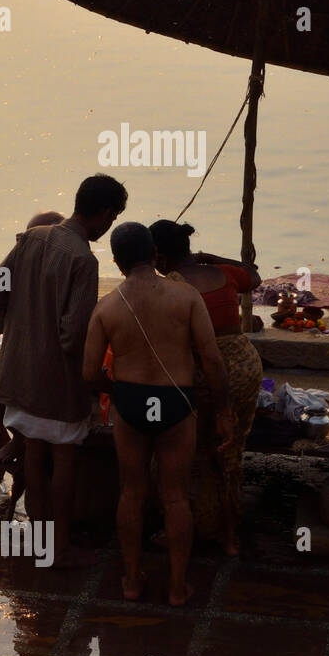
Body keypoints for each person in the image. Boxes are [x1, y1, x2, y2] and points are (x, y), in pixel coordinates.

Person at [83, 223, 235, 605]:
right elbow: (212, 359)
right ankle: (178, 587)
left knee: (132, 493)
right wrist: (223, 409)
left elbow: (89, 373)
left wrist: (117, 393)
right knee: (175, 497)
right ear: (154, 253)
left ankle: (132, 581)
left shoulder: (107, 306)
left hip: (131, 401)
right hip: (176, 401)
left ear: (116, 262)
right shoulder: (185, 297)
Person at [0, 175, 128, 567]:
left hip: (19, 369)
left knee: (33, 452)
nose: (110, 225)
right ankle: (59, 545)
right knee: (64, 460)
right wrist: (94, 375)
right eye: (113, 217)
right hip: (57, 378)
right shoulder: (83, 259)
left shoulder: (30, 238)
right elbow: (74, 334)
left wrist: (20, 319)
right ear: (103, 214)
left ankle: (39, 536)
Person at [150, 220, 263, 555]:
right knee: (230, 451)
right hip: (244, 365)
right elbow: (253, 274)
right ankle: (229, 537)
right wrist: (210, 256)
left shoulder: (171, 285)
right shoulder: (222, 274)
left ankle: (196, 528)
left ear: (158, 255)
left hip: (203, 373)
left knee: (195, 453)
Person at [0, 210, 65, 462]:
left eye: (29, 239)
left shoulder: (62, 270)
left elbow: (41, 335)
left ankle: (20, 441)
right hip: (14, 339)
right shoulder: (24, 266)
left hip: (39, 351)